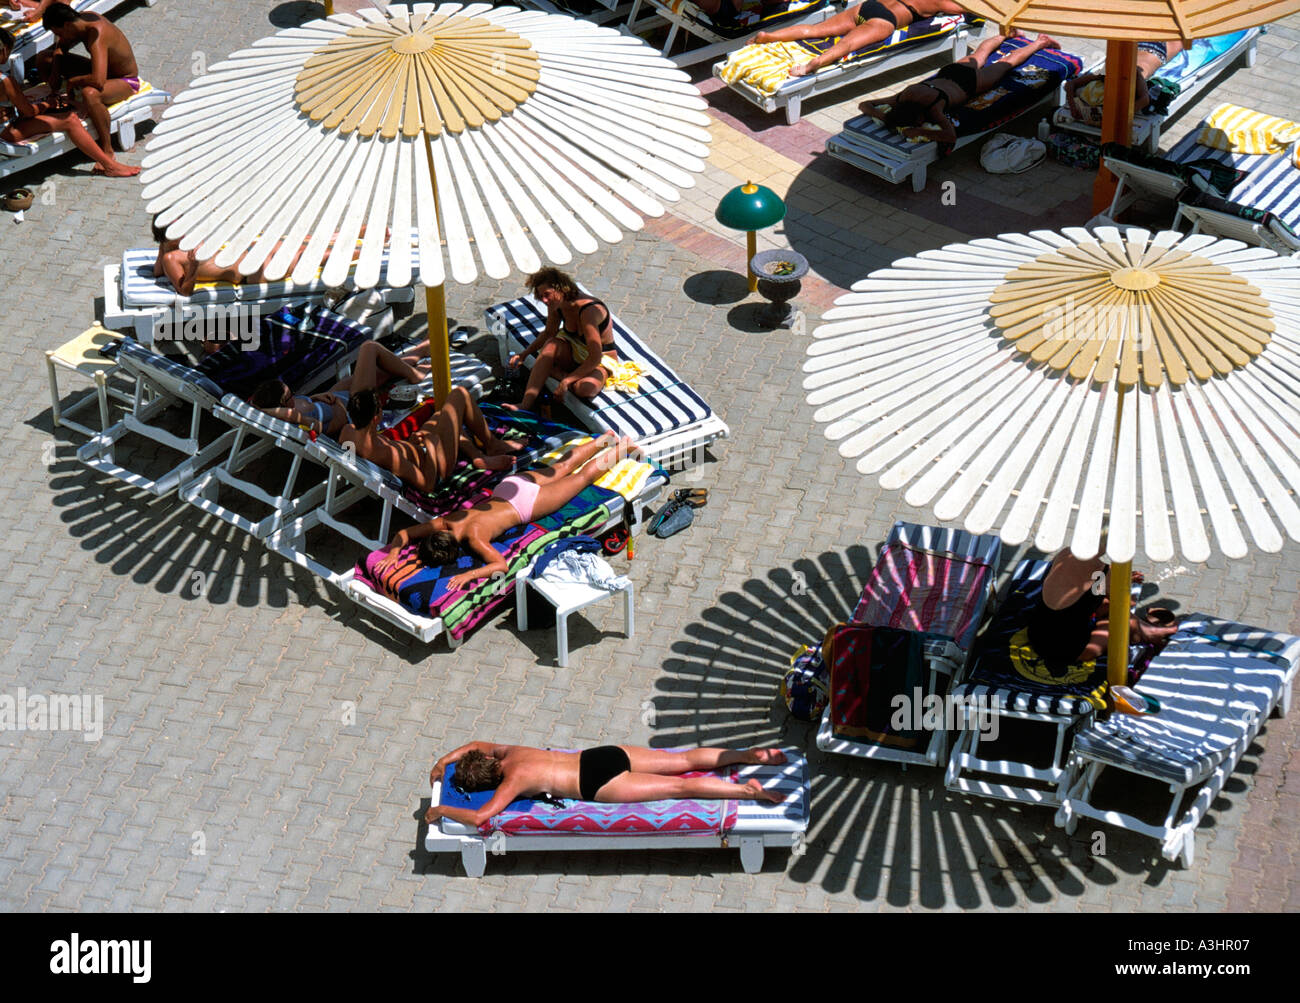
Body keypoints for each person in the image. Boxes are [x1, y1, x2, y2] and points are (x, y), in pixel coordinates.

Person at [372, 432, 636, 590]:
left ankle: (623, 448)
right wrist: (394, 552)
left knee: (581, 479)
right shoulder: (445, 522)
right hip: (510, 487)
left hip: (526, 505)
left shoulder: (475, 538)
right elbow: (405, 533)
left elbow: (500, 565)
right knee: (564, 467)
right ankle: (606, 440)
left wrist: (469, 574)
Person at [425, 741, 788, 826]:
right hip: (599, 756)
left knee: (681, 787)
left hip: (595, 782)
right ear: (488, 762)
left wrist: (440, 809)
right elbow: (473, 743)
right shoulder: (510, 753)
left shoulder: (512, 781)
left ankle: (747, 791)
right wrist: (443, 760)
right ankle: (744, 754)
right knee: (684, 761)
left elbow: (479, 818)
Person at [864, 31, 1060, 146]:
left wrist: (917, 131)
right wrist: (885, 116)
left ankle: (1041, 42)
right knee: (981, 53)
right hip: (950, 72)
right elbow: (866, 104)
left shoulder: (934, 108)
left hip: (969, 83)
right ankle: (1007, 34)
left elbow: (950, 136)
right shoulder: (904, 96)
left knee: (1006, 64)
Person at [0, 26, 139, 176]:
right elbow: (27, 112)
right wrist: (48, 104)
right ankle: (110, 166)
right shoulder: (6, 82)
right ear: (3, 51)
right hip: (6, 131)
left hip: (7, 123)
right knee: (70, 120)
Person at [340, 384, 523, 496]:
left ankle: (476, 456)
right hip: (437, 468)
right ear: (375, 418)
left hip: (415, 448)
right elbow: (427, 486)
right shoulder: (388, 455)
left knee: (441, 415)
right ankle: (491, 445)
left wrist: (411, 444)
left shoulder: (348, 433)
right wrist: (432, 447)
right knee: (458, 395)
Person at [506, 267, 640, 413]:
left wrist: (566, 380)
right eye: (540, 297)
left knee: (585, 388)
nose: (544, 300)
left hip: (600, 359)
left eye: (547, 295)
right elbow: (549, 333)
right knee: (551, 344)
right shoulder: (556, 304)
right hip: (574, 351)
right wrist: (524, 354)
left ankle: (555, 372)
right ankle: (525, 404)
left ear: (561, 288)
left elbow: (595, 357)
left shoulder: (589, 311)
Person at [1026, 549, 1178, 670]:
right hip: (1066, 651)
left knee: (1099, 604)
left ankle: (1149, 630)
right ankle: (1150, 634)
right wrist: (1118, 579)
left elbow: (1088, 583)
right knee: (1123, 619)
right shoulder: (1100, 572)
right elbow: (1124, 604)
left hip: (1037, 634)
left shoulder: (1066, 554)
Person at [248, 340, 431, 440]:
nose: (294, 396)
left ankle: (417, 355)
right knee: (369, 348)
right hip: (354, 407)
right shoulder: (301, 421)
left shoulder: (289, 408)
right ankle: (415, 370)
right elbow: (297, 417)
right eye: (290, 397)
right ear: (282, 407)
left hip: (337, 394)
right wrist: (263, 411)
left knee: (380, 372)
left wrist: (314, 397)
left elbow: (292, 407)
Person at [752, 0, 967, 78]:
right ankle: (812, 65)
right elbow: (968, 8)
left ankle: (768, 36)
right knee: (847, 44)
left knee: (815, 29)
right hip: (885, 19)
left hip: (868, 6)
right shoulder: (939, 2)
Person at [38, 3, 140, 160]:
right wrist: (55, 81)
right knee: (44, 57)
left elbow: (98, 81)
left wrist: (73, 82)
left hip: (125, 80)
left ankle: (107, 150)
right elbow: (60, 49)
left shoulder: (96, 33)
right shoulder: (79, 21)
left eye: (59, 33)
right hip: (102, 71)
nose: (60, 38)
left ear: (66, 25)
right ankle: (54, 94)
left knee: (90, 93)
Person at [1064, 40, 1186, 120]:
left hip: (1155, 53)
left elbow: (1145, 99)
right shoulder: (1106, 73)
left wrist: (1119, 119)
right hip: (1142, 47)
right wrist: (1073, 106)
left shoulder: (1134, 74)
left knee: (1179, 40)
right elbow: (1070, 84)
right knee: (1177, 39)